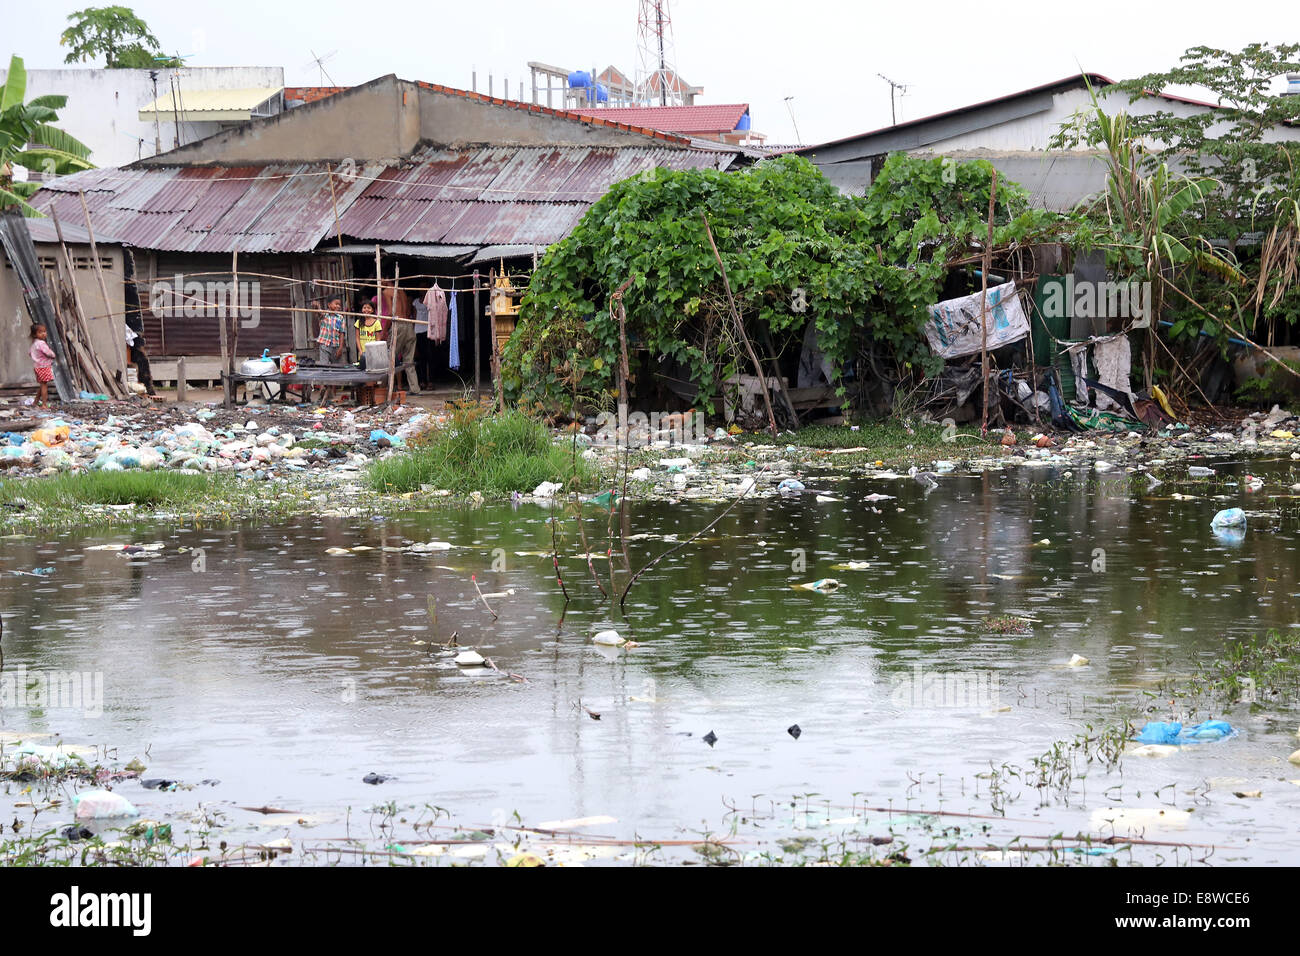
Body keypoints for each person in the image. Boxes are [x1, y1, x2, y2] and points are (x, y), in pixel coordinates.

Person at [124, 324, 157, 397]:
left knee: (142, 364)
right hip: (134, 341)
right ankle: (147, 389)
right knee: (141, 364)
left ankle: (148, 389)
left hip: (136, 339)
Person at [29, 323, 56, 407]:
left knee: (42, 385)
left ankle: (35, 402)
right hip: (43, 366)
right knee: (44, 385)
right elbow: (48, 352)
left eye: (44, 331)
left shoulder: (34, 343)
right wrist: (53, 355)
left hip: (37, 366)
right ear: (35, 334)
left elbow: (30, 353)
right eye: (40, 332)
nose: (44, 333)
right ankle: (44, 404)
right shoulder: (41, 343)